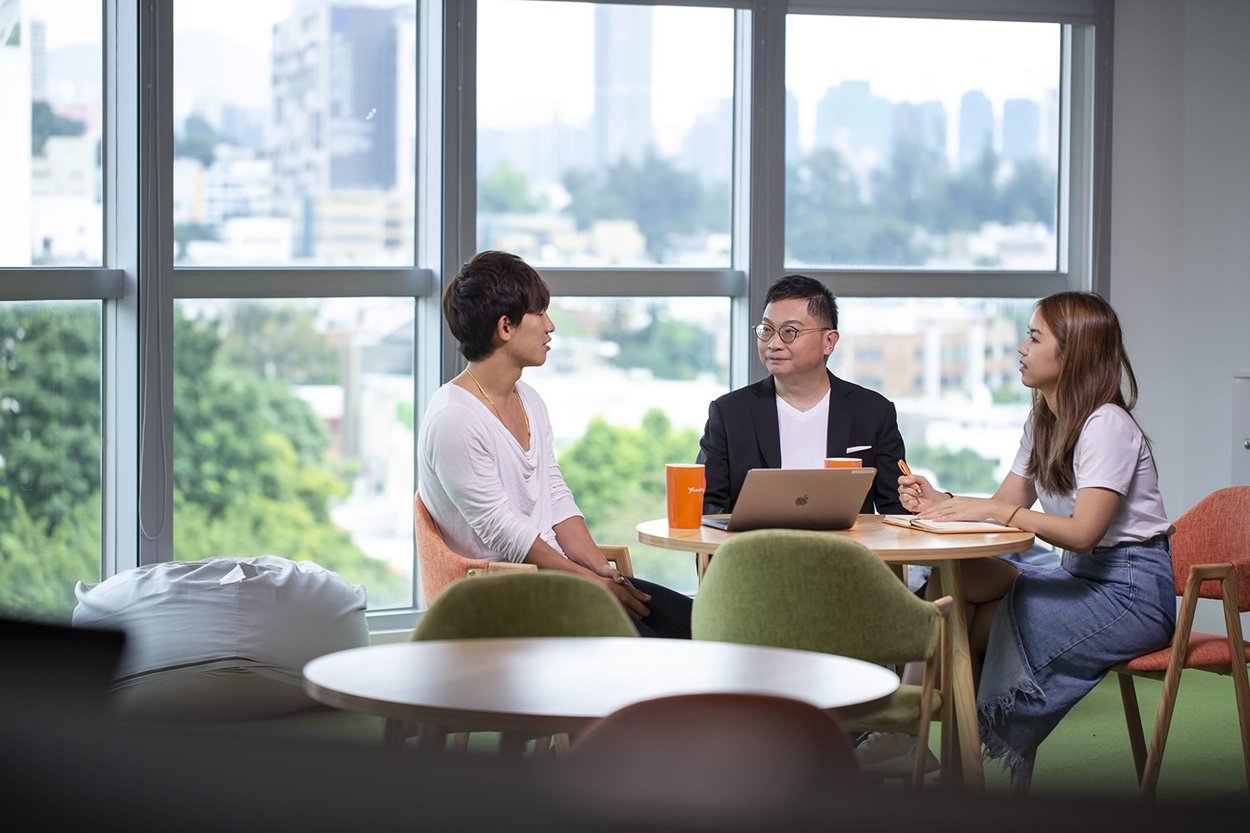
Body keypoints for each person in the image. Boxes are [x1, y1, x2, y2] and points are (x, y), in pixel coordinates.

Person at [896, 291, 1175, 788]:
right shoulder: (1044, 418)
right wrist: (943, 501)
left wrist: (999, 511)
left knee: (971, 616)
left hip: (1131, 592)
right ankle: (939, 760)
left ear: (1071, 353)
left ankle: (927, 752)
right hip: (1077, 575)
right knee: (954, 579)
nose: (1021, 348)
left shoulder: (1106, 424)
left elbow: (1084, 534)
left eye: (1033, 337)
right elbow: (1006, 503)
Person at [417, 250, 692, 639]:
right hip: (505, 590)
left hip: (552, 578)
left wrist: (601, 570)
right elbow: (504, 533)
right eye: (540, 313)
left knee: (699, 622)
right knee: (654, 647)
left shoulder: (528, 399)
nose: (551, 326)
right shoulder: (454, 417)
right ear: (505, 327)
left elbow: (554, 495)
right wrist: (590, 585)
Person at [697, 275, 906, 517]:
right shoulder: (729, 413)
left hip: (848, 553)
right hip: (757, 551)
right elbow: (707, 508)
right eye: (767, 330)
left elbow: (897, 508)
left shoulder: (872, 411)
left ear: (829, 341)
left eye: (789, 332)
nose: (773, 343)